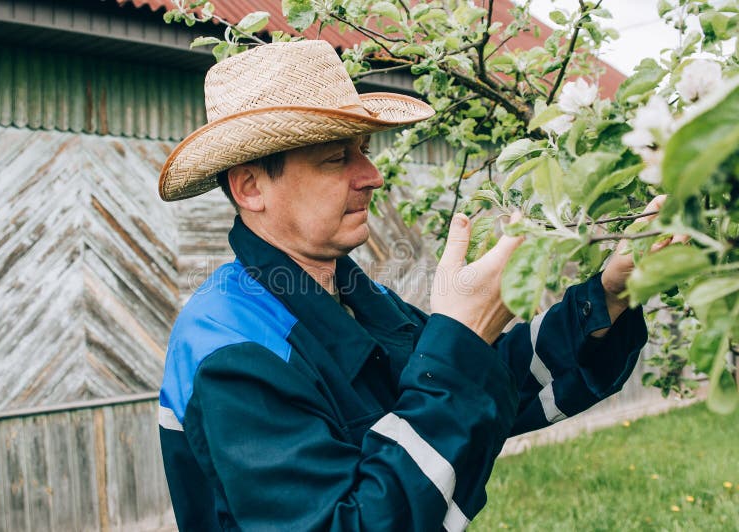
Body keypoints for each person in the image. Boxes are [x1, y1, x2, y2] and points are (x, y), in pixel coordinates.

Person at [156, 40, 654, 531]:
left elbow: (477, 385)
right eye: (337, 158)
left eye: (364, 151)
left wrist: (607, 297)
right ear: (250, 187)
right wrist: (463, 337)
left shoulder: (354, 297)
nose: (372, 176)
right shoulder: (230, 351)